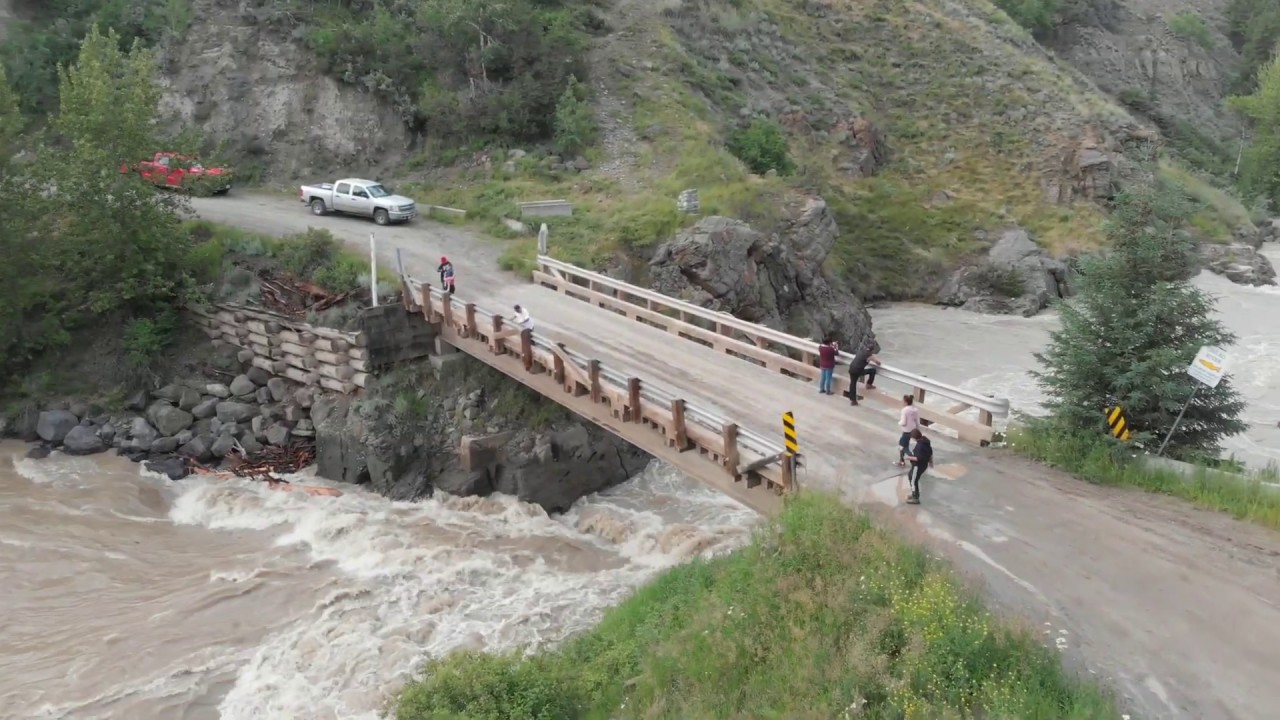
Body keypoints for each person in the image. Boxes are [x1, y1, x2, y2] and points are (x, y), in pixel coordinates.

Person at [845, 340, 881, 406]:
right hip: (858, 370)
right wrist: (874, 358)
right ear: (872, 350)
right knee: (873, 371)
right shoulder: (869, 355)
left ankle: (853, 400)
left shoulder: (860, 351)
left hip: (851, 368)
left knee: (853, 384)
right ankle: (869, 384)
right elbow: (878, 363)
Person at [905, 428, 933, 505]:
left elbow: (918, 458)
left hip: (918, 466)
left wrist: (908, 458)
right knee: (911, 477)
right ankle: (915, 493)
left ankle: (915, 498)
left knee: (913, 480)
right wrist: (931, 462)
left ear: (914, 437)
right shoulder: (925, 441)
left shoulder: (920, 446)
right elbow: (930, 452)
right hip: (923, 465)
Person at [895, 395, 920, 466]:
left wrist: (898, 423)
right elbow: (917, 422)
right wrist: (917, 430)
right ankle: (902, 461)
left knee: (902, 446)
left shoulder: (904, 410)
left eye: (903, 401)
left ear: (906, 402)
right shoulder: (915, 409)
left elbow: (903, 422)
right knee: (904, 445)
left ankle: (913, 459)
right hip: (913, 430)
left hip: (906, 431)